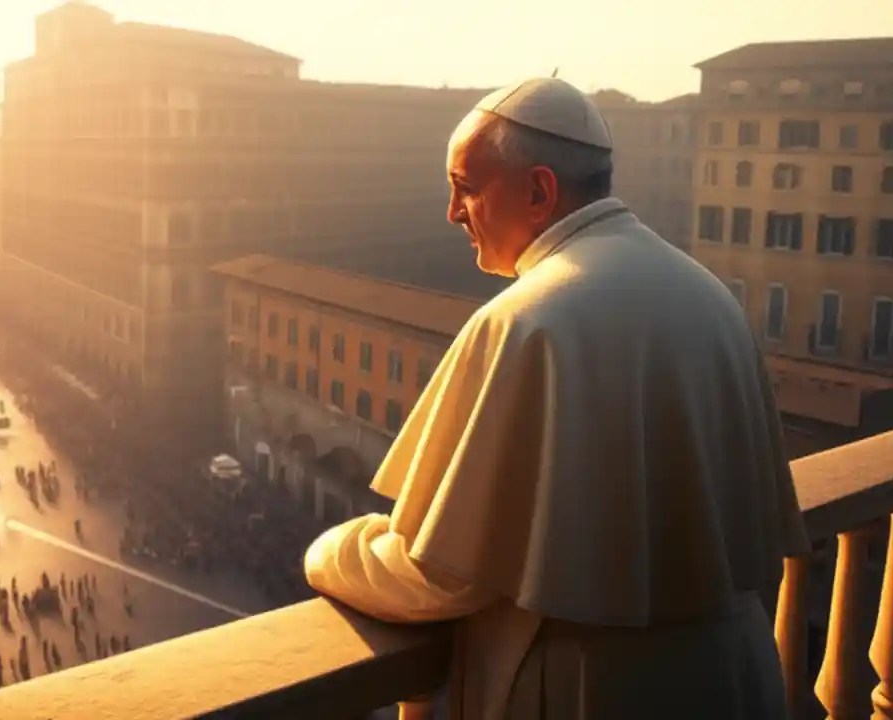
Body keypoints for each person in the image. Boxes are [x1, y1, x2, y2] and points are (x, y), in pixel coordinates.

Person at [301, 78, 809, 720]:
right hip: (737, 677)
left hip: (594, 695)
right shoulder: (711, 296)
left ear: (539, 191)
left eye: (466, 186)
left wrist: (335, 552)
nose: (452, 212)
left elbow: (442, 575)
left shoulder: (527, 320)